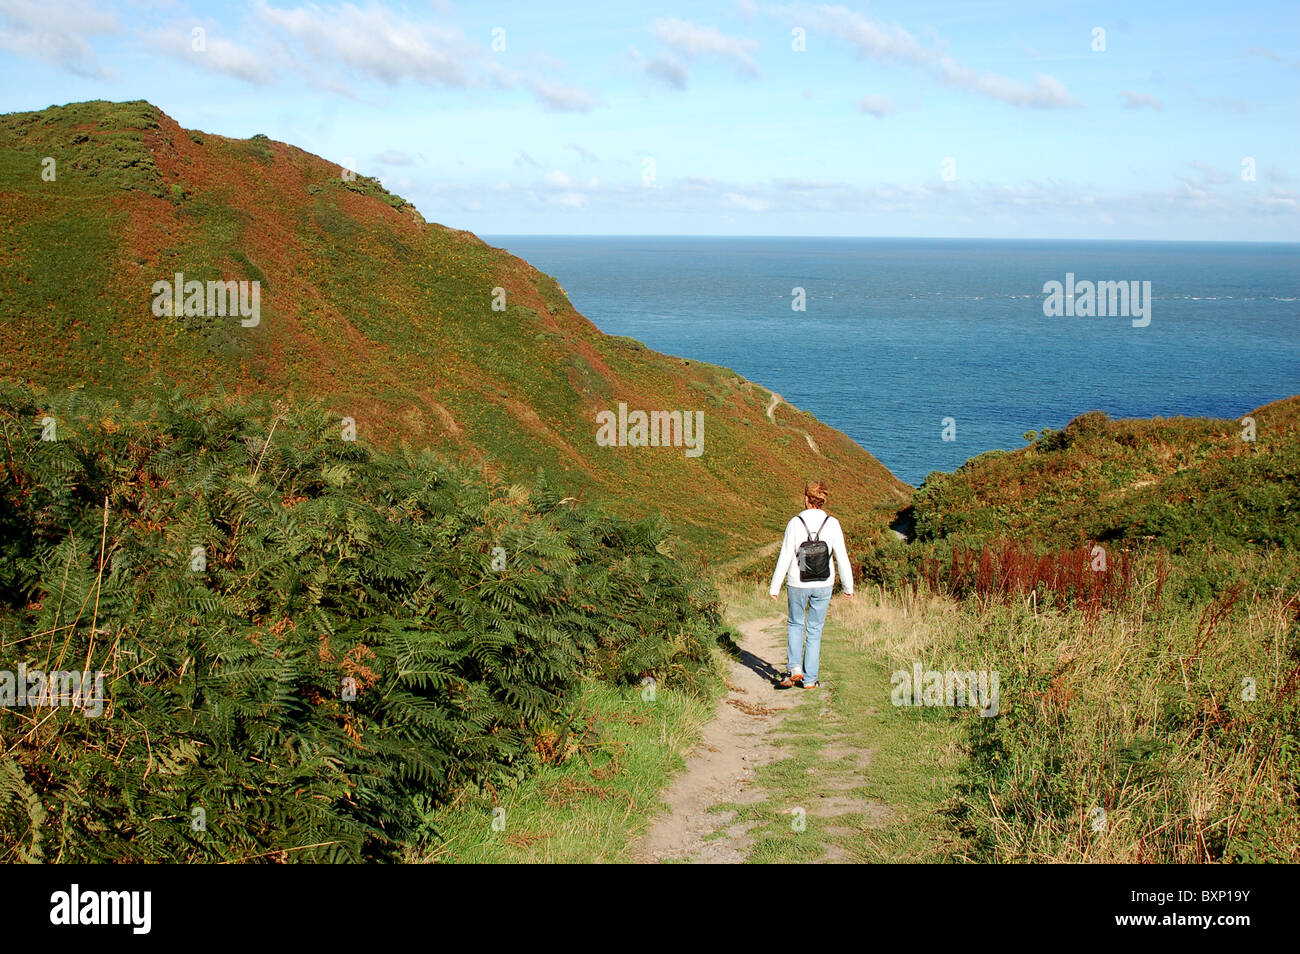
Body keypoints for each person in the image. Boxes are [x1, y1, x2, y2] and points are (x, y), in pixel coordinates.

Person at [769, 480, 854, 689]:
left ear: (806, 499)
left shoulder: (795, 522)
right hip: (824, 583)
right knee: (815, 630)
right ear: (823, 501)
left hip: (798, 582)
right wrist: (848, 587)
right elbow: (842, 557)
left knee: (795, 624)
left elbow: (786, 555)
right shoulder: (832, 523)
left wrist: (775, 587)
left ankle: (794, 669)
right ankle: (810, 679)